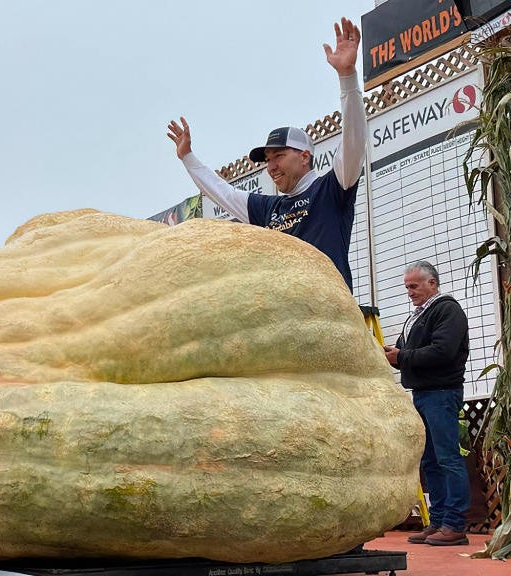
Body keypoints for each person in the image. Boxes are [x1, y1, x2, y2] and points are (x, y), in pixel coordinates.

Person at [166, 17, 366, 291]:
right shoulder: (269, 209)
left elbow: (354, 142)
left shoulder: (332, 190)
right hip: (286, 311)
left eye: (278, 156)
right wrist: (187, 157)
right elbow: (223, 193)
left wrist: (347, 78)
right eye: (268, 160)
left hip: (329, 310)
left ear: (304, 156)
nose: (271, 167)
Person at [383, 261, 471, 546]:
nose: (409, 292)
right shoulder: (417, 316)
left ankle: (455, 523)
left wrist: (401, 357)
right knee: (431, 461)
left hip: (441, 393)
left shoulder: (447, 310)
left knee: (447, 458)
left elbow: (443, 351)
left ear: (432, 283)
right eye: (407, 287)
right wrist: (394, 355)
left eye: (414, 286)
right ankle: (439, 520)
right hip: (423, 393)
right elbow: (408, 351)